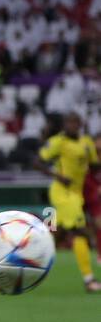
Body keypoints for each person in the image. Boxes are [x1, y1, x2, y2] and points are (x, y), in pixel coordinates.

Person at [36, 111, 100, 292]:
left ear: (80, 124)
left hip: (77, 194)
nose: (71, 126)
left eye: (75, 122)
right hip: (62, 192)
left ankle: (30, 265)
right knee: (80, 231)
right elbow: (37, 162)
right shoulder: (58, 142)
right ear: (65, 124)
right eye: (68, 122)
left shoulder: (87, 142)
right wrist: (58, 176)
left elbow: (94, 166)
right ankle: (89, 280)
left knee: (56, 234)